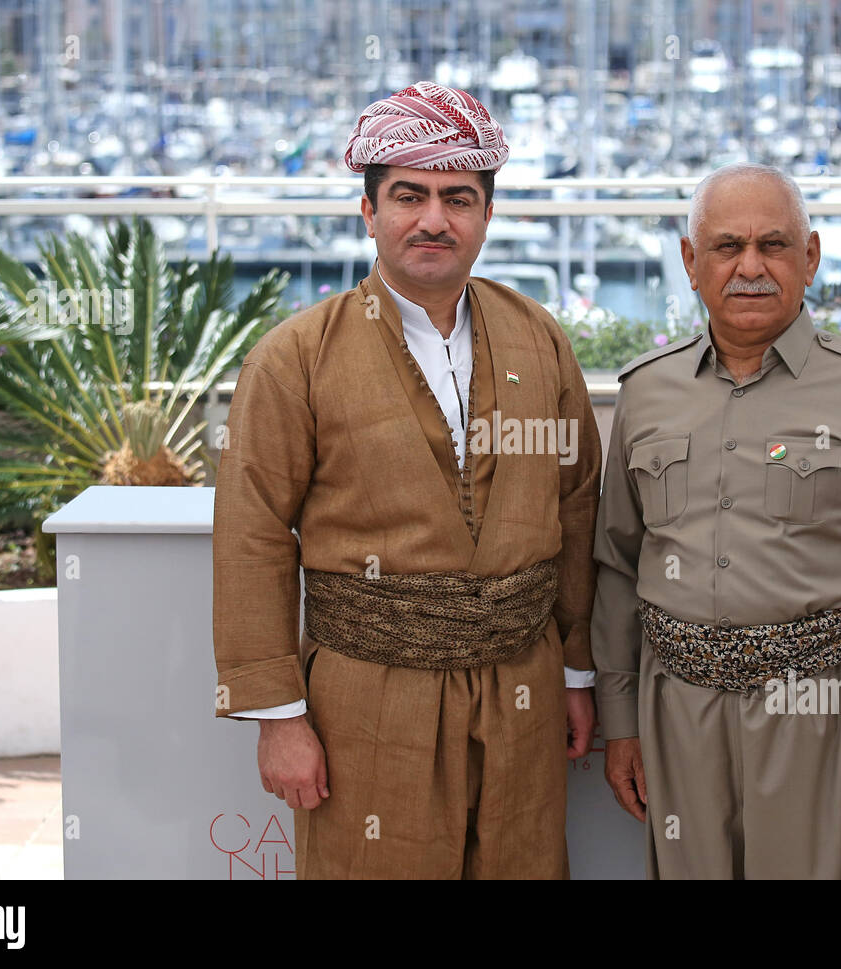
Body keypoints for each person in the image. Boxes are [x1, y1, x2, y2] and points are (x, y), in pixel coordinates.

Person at [211, 82, 602, 879]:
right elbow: (251, 534)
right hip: (367, 701)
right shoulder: (295, 358)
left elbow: (577, 505)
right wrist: (279, 717)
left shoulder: (540, 339)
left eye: (458, 198)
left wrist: (574, 668)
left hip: (522, 692)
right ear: (369, 211)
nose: (434, 220)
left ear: (487, 216)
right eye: (409, 196)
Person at [591, 162, 841, 879]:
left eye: (774, 245)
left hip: (830, 714)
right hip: (682, 718)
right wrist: (621, 723)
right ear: (690, 263)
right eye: (728, 247)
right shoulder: (646, 394)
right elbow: (616, 564)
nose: (751, 267)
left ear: (812, 257)